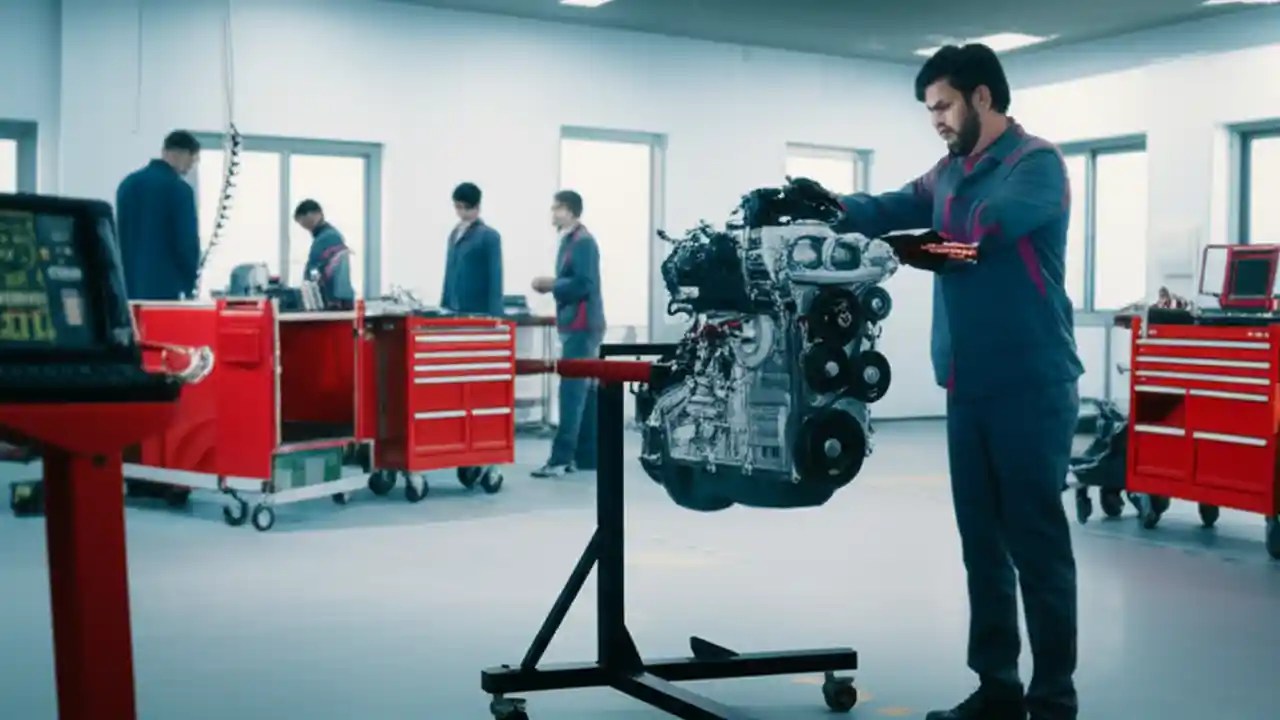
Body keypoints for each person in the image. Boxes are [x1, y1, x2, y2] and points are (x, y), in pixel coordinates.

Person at [829, 44, 1084, 720]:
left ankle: (1054, 700)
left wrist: (910, 246)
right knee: (982, 547)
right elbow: (889, 205)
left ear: (980, 97)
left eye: (942, 105)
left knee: (1037, 546)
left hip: (1032, 383)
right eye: (929, 110)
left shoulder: (1036, 165)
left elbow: (979, 236)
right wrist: (822, 204)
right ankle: (997, 689)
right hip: (967, 386)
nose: (935, 120)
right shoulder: (949, 170)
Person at [530, 190, 606, 477]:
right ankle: (586, 457)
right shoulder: (569, 240)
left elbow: (584, 284)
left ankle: (560, 459)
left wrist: (551, 285)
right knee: (583, 393)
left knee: (572, 392)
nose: (553, 212)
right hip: (575, 324)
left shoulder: (584, 242)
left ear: (571, 211)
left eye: (558, 208)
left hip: (582, 326)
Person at [115, 130, 201, 300]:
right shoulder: (180, 190)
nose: (191, 166)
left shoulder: (128, 184)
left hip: (127, 288)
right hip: (165, 292)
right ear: (184, 155)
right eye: (193, 160)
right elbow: (186, 244)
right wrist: (190, 283)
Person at [440, 182, 504, 316]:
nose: (462, 212)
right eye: (458, 207)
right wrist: (444, 305)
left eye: (467, 208)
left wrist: (496, 315)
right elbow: (449, 272)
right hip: (453, 308)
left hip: (478, 310)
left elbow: (495, 278)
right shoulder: (454, 234)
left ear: (478, 207)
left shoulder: (489, 236)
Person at [293, 199, 355, 310]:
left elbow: (315, 269)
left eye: (303, 220)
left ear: (315, 214)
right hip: (336, 298)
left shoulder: (327, 238)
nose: (303, 225)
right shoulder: (329, 235)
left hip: (333, 300)